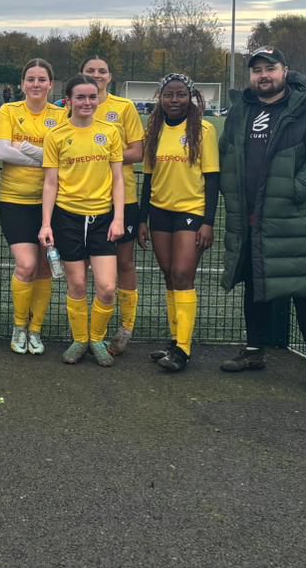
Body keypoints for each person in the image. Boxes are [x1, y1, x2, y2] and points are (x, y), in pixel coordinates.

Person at [217, 48, 306, 389]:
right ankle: (254, 350)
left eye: (270, 68)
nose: (263, 75)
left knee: (305, 289)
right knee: (254, 283)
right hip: (249, 216)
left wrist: (293, 191)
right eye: (257, 70)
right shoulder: (242, 110)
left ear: (285, 70)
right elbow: (226, 151)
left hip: (291, 218)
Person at [39, 76, 125, 367]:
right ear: (69, 100)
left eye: (92, 96)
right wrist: (46, 223)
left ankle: (97, 338)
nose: (87, 102)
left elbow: (118, 179)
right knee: (76, 285)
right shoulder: (57, 135)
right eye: (81, 97)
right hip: (67, 218)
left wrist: (119, 218)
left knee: (107, 287)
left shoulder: (110, 132)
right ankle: (80, 340)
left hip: (103, 219)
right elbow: (50, 183)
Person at [138, 74, 219, 373]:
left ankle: (184, 349)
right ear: (160, 97)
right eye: (169, 95)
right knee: (169, 276)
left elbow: (212, 177)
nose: (174, 100)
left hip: (191, 211)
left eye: (181, 95)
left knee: (183, 274)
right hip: (160, 212)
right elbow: (148, 177)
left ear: (191, 97)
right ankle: (174, 340)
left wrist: (207, 222)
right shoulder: (154, 129)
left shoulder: (204, 130)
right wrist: (142, 219)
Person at [0, 57, 67, 355]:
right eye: (30, 79)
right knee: (26, 265)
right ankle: (19, 326)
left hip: (53, 203)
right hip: (15, 200)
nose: (36, 84)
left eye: (41, 79)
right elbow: (3, 152)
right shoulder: (8, 111)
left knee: (46, 269)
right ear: (22, 83)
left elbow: (64, 157)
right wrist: (45, 157)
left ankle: (36, 330)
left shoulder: (62, 116)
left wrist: (29, 150)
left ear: (51, 83)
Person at [80, 56, 147, 357]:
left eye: (102, 71)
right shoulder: (73, 105)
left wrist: (104, 152)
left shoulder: (124, 108)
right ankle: (90, 332)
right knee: (84, 268)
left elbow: (138, 151)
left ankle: (126, 327)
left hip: (123, 198)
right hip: (83, 199)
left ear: (110, 76)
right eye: (90, 71)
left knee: (124, 263)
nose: (96, 75)